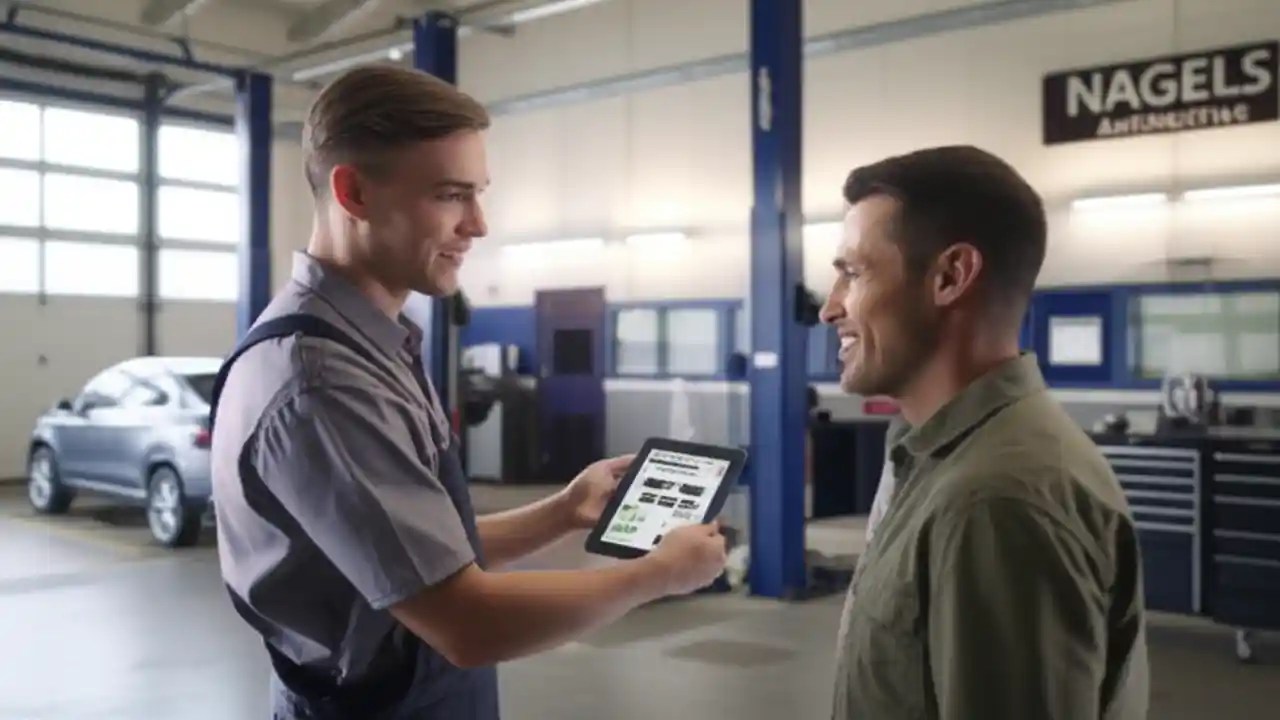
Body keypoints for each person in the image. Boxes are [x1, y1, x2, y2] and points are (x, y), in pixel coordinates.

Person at [209, 64, 727, 720]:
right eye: (451, 195)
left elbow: (418, 555)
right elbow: (466, 622)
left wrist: (564, 509)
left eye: (478, 193)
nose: (478, 224)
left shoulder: (369, 343)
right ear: (355, 193)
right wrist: (658, 575)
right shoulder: (324, 382)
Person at [820, 145, 1149, 719]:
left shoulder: (994, 498)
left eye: (852, 272)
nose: (830, 308)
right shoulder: (933, 453)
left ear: (950, 276)